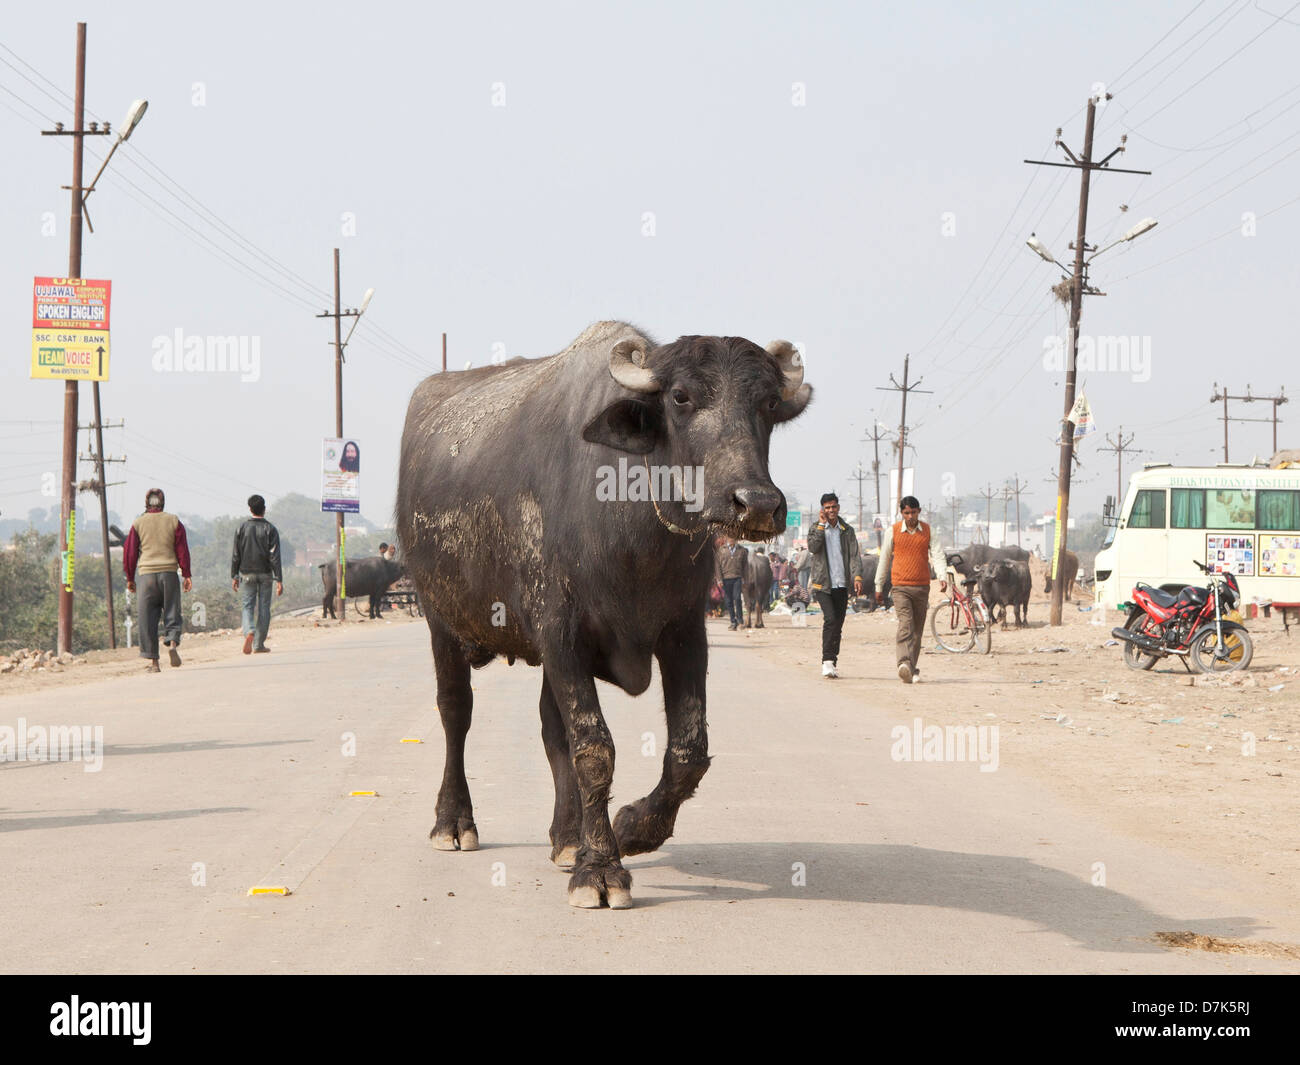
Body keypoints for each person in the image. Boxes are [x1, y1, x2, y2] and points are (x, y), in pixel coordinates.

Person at [875, 495, 947, 684]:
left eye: (913, 512)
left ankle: (912, 669)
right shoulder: (893, 531)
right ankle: (903, 663)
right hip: (900, 587)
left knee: (917, 631)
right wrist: (878, 584)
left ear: (919, 511)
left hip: (922, 587)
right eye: (906, 513)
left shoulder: (929, 531)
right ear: (902, 513)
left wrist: (942, 576)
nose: (910, 516)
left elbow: (938, 555)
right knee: (906, 625)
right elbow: (884, 558)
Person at [122, 488, 192, 673]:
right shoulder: (174, 521)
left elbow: (129, 553)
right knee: (172, 612)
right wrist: (187, 574)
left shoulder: (138, 523)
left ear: (146, 503)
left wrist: (130, 578)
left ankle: (154, 663)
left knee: (147, 619)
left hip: (146, 577)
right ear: (163, 503)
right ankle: (173, 644)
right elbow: (182, 550)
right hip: (169, 574)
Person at [806, 493, 863, 678]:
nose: (831, 511)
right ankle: (827, 661)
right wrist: (822, 526)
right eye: (827, 508)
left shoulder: (847, 530)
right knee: (830, 619)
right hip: (822, 584)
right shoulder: (815, 528)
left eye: (834, 507)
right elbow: (813, 547)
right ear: (822, 509)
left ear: (838, 507)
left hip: (842, 583)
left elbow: (854, 555)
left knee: (838, 624)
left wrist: (857, 577)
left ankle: (833, 661)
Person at [231, 494, 283, 654]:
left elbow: (236, 554)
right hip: (266, 574)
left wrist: (234, 575)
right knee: (264, 608)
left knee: (247, 606)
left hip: (246, 574)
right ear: (264, 510)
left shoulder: (241, 528)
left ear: (250, 509)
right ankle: (259, 644)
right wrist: (279, 579)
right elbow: (275, 556)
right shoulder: (271, 529)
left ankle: (250, 631)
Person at [713, 534, 748, 631]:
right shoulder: (721, 550)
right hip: (725, 579)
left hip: (738, 577)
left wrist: (745, 579)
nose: (731, 539)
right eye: (730, 537)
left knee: (737, 598)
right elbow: (717, 566)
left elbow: (745, 566)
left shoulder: (742, 550)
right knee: (728, 601)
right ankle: (733, 621)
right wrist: (719, 579)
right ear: (726, 538)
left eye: (733, 537)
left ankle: (740, 620)